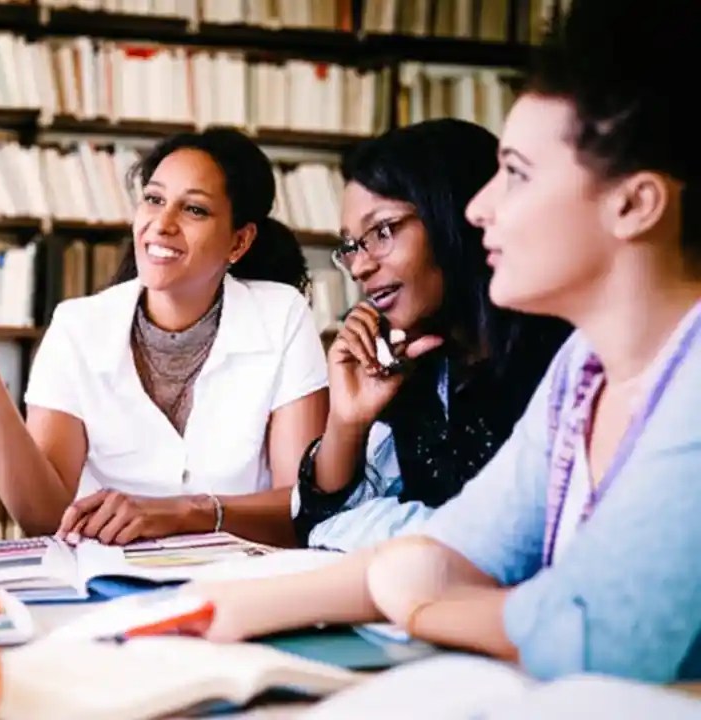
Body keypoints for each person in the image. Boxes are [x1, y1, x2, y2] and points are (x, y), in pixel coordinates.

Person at [186, 0, 701, 683]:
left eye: (515, 173)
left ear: (634, 204)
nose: (480, 209)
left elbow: (592, 635)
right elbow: (456, 545)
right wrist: (219, 608)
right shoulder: (584, 370)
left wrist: (425, 603)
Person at [0, 128, 330, 546]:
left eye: (193, 209)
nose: (162, 224)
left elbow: (298, 506)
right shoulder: (77, 328)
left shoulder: (281, 315)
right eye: (153, 199)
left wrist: (183, 513)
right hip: (110, 584)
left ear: (238, 242)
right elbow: (44, 518)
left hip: (243, 580)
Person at [291, 119, 572, 552]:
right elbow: (316, 530)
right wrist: (347, 422)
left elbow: (511, 542)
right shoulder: (415, 364)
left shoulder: (558, 356)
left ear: (459, 216)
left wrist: (394, 533)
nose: (360, 266)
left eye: (382, 231)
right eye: (350, 246)